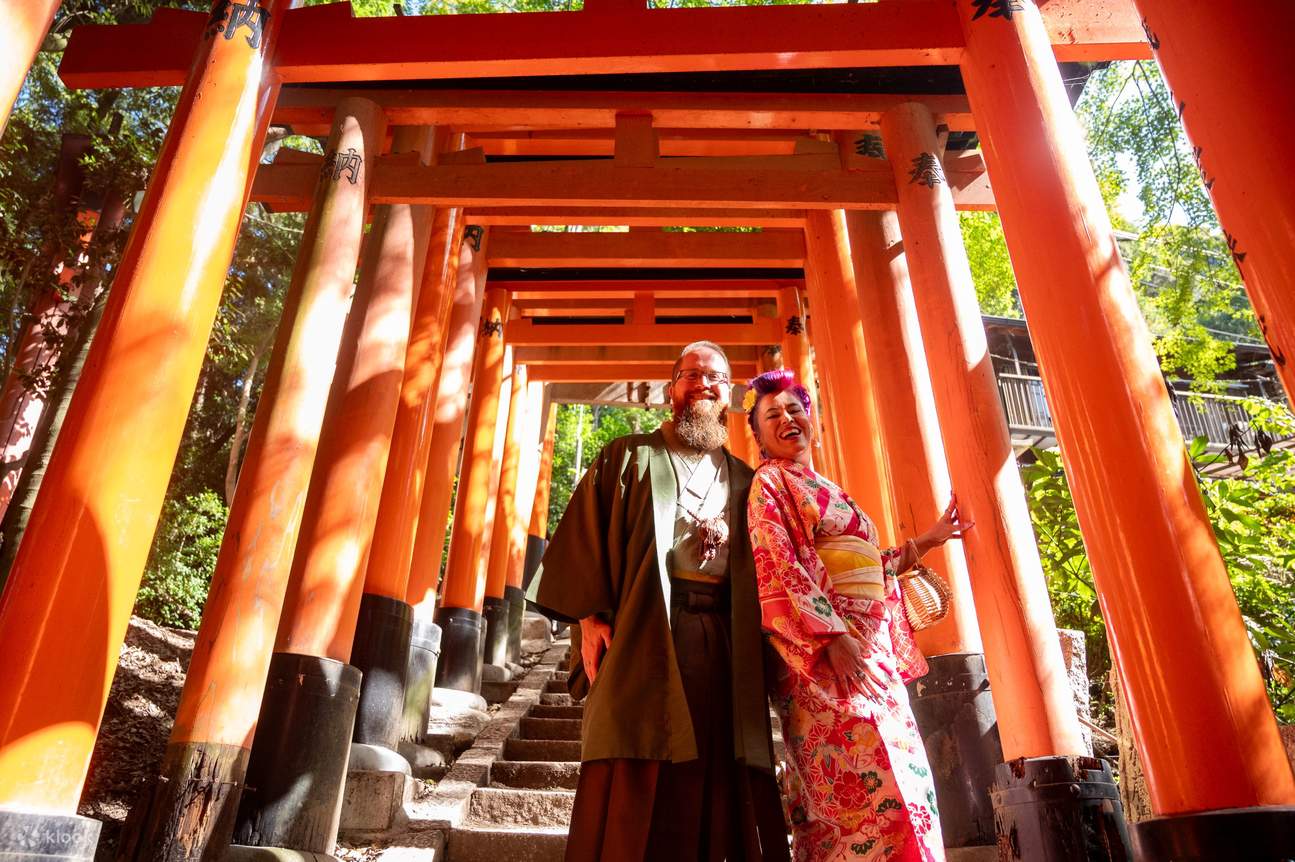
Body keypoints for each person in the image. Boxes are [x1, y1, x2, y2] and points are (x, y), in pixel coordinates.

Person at [529, 342, 789, 862]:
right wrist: (586, 618)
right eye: (691, 375)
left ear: (730, 395)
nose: (703, 385)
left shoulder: (748, 480)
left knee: (717, 773)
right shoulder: (627, 456)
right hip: (640, 636)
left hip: (723, 643)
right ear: (671, 389)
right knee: (633, 767)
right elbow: (583, 542)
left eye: (715, 377)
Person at [743, 369, 969, 862]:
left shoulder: (825, 486)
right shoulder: (770, 484)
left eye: (795, 409)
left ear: (812, 419)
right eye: (772, 415)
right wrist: (829, 637)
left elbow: (865, 563)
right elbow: (780, 563)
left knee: (902, 772)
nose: (788, 419)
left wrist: (925, 542)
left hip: (871, 653)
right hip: (822, 660)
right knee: (851, 789)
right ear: (758, 436)